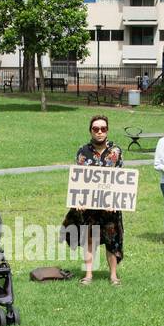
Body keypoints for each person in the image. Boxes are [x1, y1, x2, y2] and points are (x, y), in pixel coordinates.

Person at [61, 115, 124, 285]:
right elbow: (79, 179)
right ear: (91, 131)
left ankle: (113, 276)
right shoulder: (83, 151)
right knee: (90, 239)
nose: (99, 132)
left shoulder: (116, 151)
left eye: (103, 128)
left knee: (112, 242)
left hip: (110, 206)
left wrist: (115, 202)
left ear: (107, 130)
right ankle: (88, 275)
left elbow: (120, 179)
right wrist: (79, 201)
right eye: (96, 129)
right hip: (89, 207)